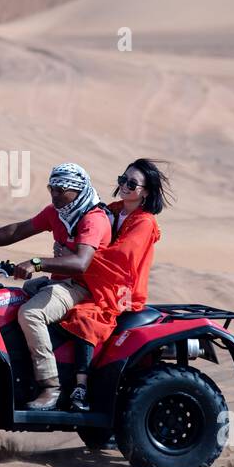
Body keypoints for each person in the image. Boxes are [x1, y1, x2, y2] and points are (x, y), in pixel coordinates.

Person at [0, 163, 111, 409]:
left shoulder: (93, 219)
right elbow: (18, 230)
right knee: (9, 297)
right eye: (51, 188)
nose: (54, 194)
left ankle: (50, 386)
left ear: (78, 190)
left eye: (60, 190)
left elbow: (81, 263)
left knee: (31, 313)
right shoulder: (59, 212)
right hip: (61, 281)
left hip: (84, 287)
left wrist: (37, 263)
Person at [60, 159, 173, 410]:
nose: (124, 185)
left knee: (85, 315)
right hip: (99, 282)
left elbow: (120, 257)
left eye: (132, 183)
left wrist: (73, 256)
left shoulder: (145, 222)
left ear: (145, 191)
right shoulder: (112, 210)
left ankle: (81, 386)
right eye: (123, 179)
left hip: (123, 292)